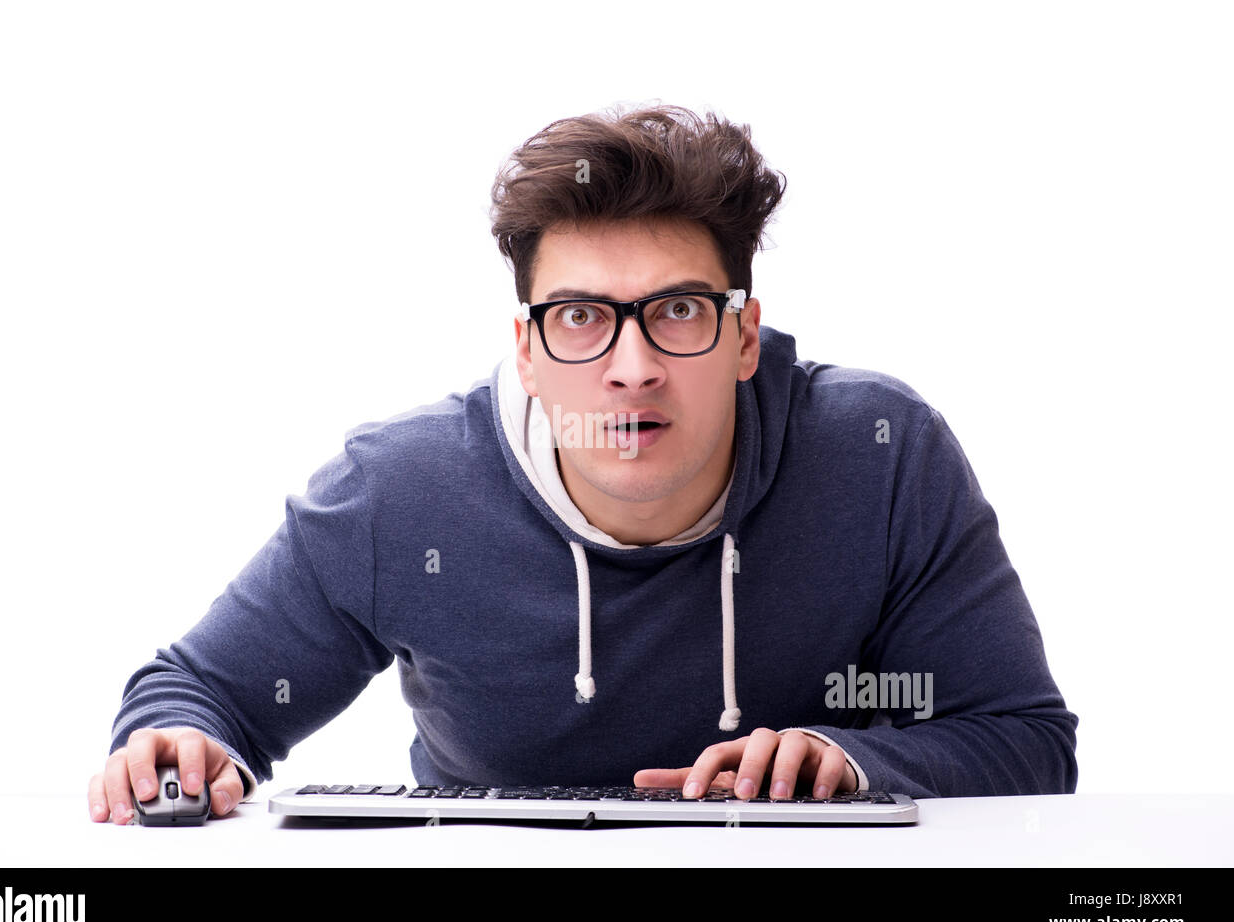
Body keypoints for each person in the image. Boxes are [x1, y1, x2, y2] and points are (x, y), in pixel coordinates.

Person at [89, 104, 1077, 824]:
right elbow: (203, 694)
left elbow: (1025, 740)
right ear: (525, 349)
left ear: (744, 339)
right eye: (581, 319)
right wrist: (182, 745)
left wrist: (846, 757)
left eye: (680, 311)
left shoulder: (879, 457)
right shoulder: (405, 490)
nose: (632, 369)